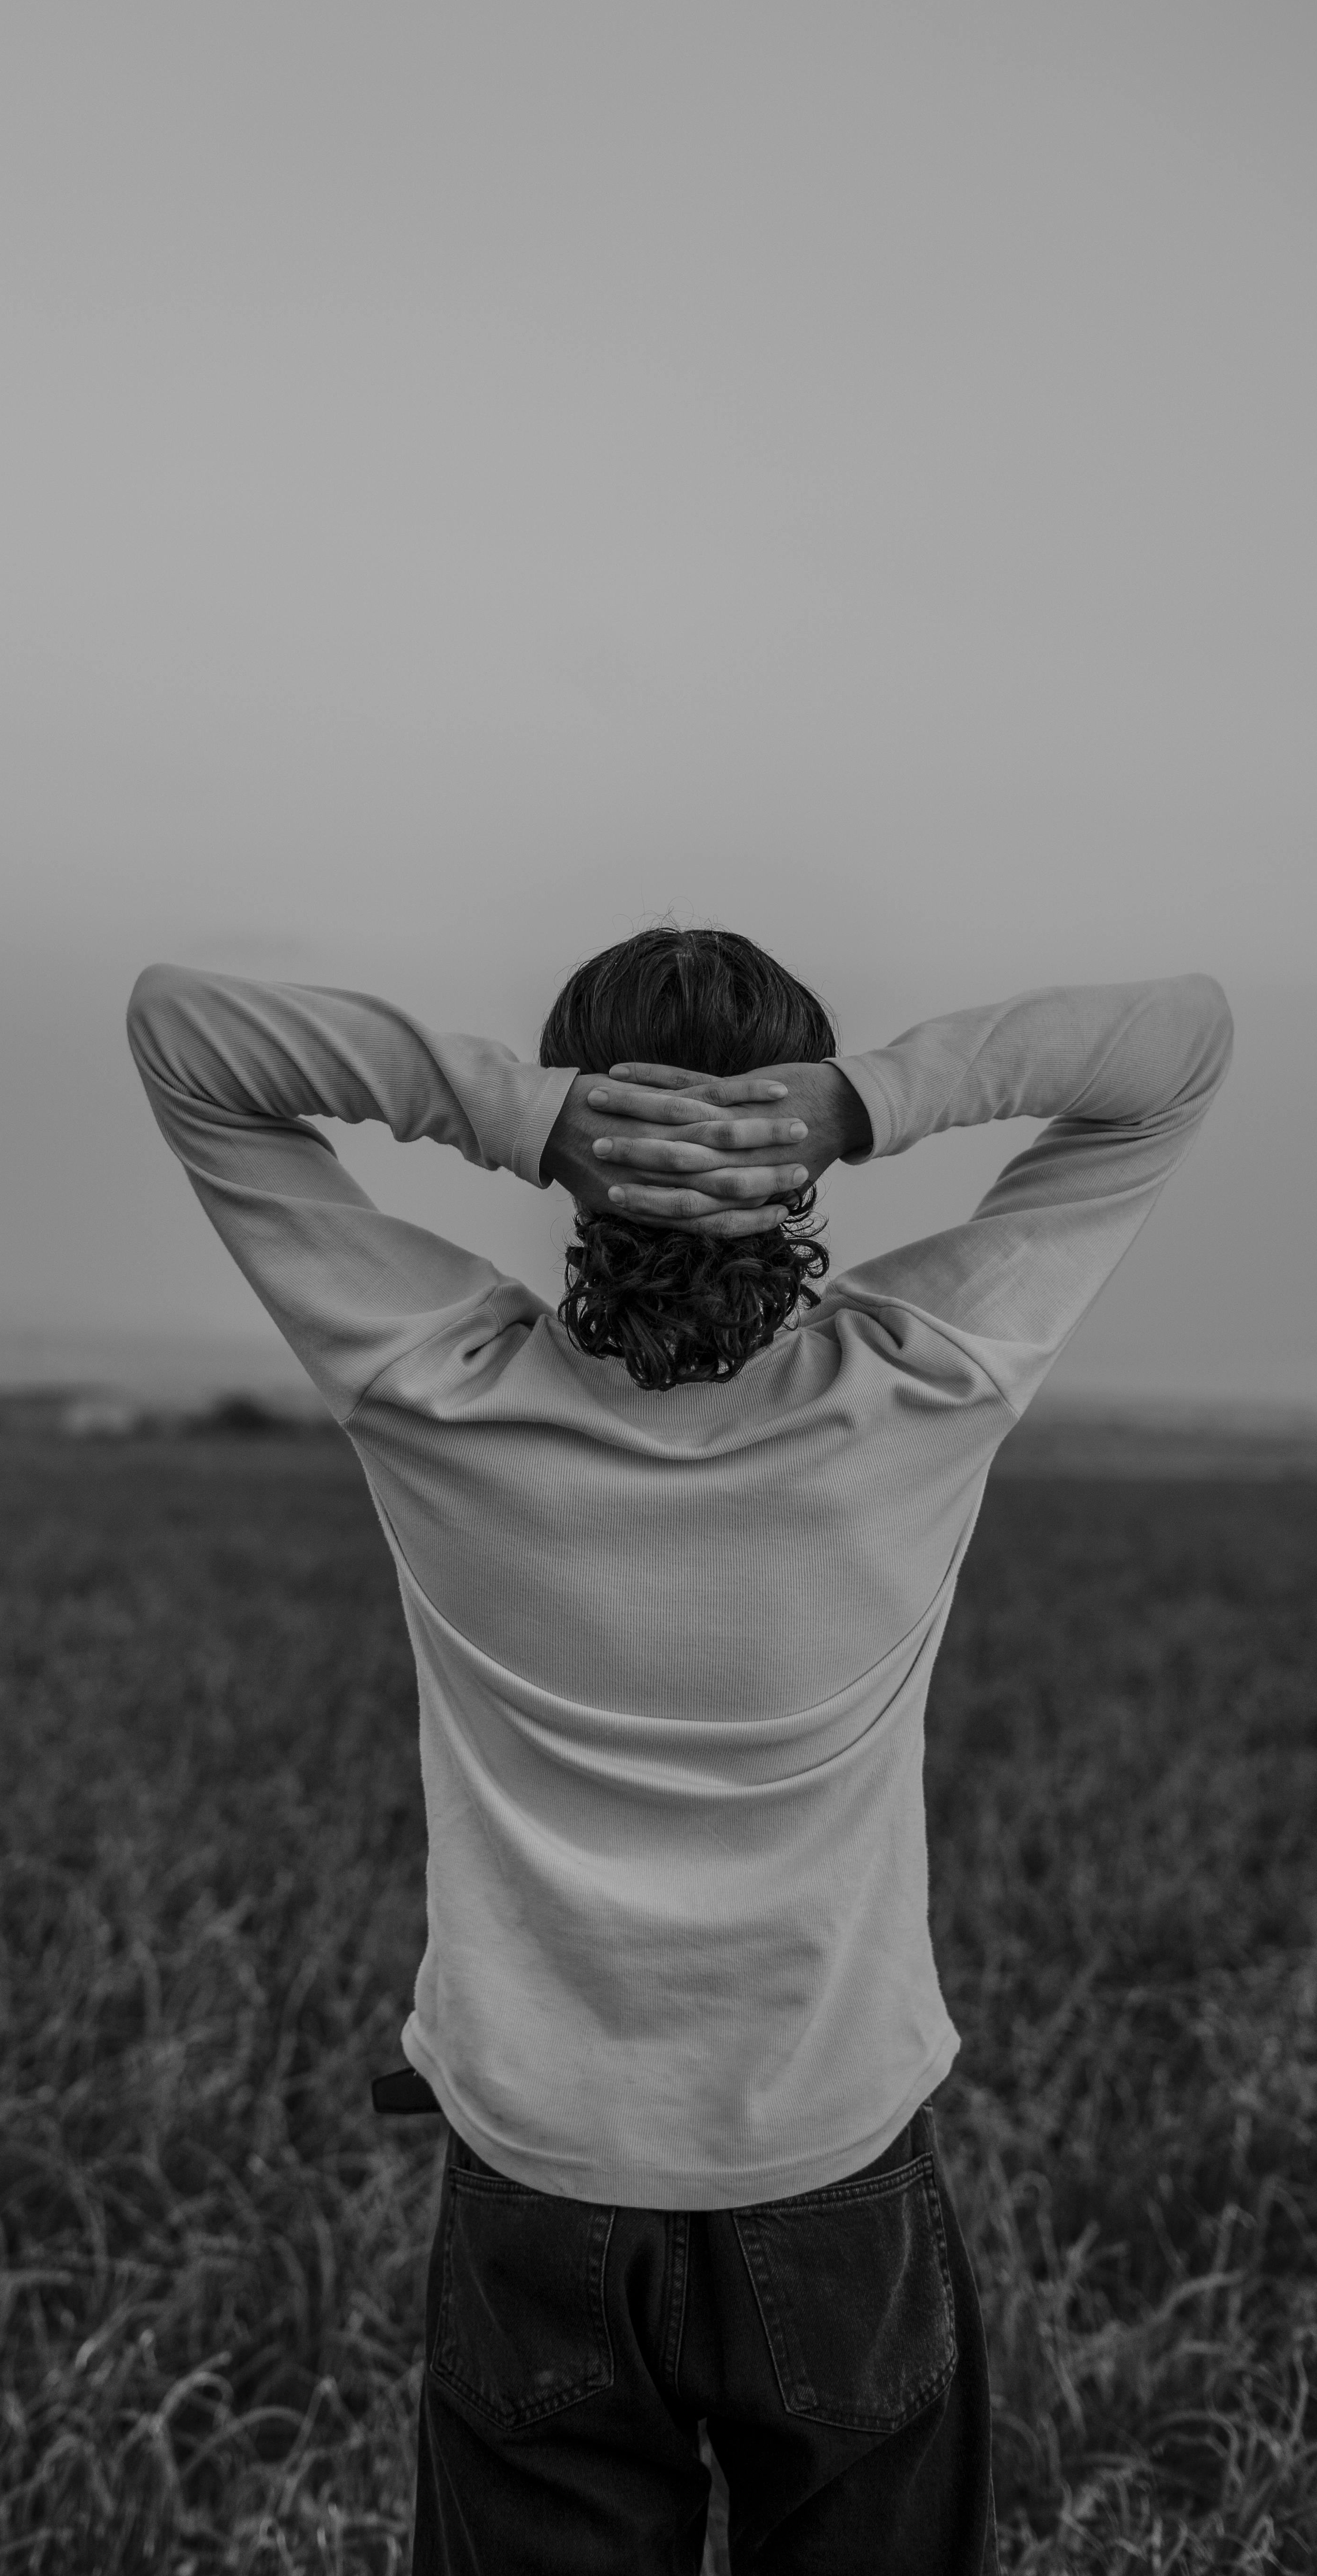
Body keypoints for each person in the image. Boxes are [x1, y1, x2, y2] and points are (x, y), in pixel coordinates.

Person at [126, 927, 1232, 2576]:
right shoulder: (920, 1385)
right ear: (793, 1167)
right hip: (837, 2174)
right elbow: (1182, 1041)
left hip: (537, 2182)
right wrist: (865, 1104)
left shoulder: (441, 1387)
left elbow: (185, 1034)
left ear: (584, 1154)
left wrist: (525, 1112)